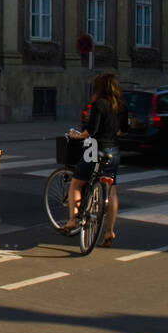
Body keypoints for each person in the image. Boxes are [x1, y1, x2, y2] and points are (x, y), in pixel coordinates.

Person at [64, 72, 123, 246]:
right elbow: (122, 129)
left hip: (95, 149)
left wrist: (77, 135)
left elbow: (92, 130)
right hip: (114, 150)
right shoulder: (120, 105)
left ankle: (72, 220)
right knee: (111, 190)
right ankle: (109, 232)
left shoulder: (99, 104)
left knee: (76, 183)